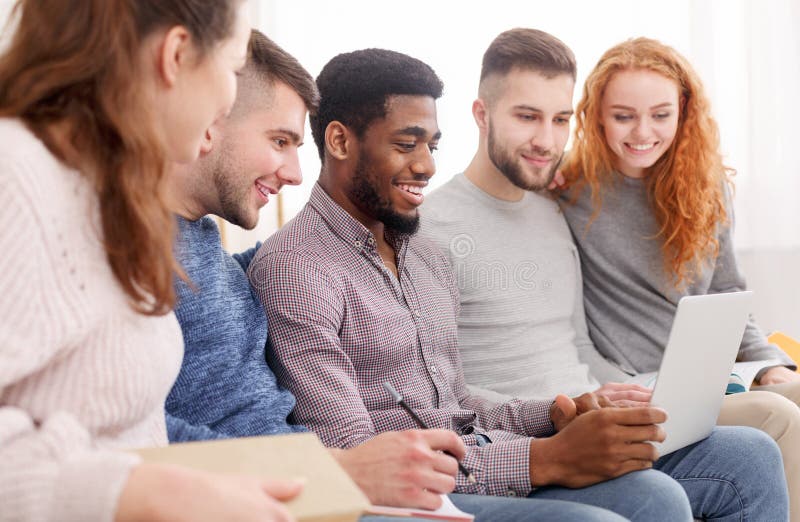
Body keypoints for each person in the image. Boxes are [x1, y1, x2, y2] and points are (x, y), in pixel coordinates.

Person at [246, 46, 786, 521]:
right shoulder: (297, 269)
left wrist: (555, 412)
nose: (426, 166)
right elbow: (356, 454)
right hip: (415, 490)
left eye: (433, 145)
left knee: (750, 457)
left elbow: (455, 401)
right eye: (407, 144)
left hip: (483, 449)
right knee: (652, 498)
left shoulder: (422, 254)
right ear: (339, 141)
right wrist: (543, 458)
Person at [165, 30, 546, 521]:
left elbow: (455, 404)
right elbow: (134, 444)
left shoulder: (214, 256)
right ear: (209, 122)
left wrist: (551, 417)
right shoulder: (139, 257)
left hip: (315, 483)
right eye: (279, 141)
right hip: (295, 494)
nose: (295, 173)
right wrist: (324, 471)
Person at [419, 28, 790, 520]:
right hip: (529, 435)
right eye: (527, 117)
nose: (546, 140)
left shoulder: (551, 212)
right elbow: (432, 383)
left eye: (559, 119)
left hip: (597, 411)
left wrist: (621, 396)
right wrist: (560, 412)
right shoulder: (430, 226)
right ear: (481, 115)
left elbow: (578, 343)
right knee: (660, 492)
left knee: (753, 455)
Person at [0, 1, 310, 521]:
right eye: (233, 68)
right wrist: (143, 492)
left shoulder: (108, 202)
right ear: (176, 54)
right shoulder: (19, 177)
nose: (228, 103)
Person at [557, 36, 800, 520]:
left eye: (660, 115)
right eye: (623, 116)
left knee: (790, 389)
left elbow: (728, 291)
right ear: (596, 114)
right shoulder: (569, 189)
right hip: (638, 387)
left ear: (683, 110)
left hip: (712, 377)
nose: (642, 132)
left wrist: (768, 363)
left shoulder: (707, 188)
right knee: (782, 416)